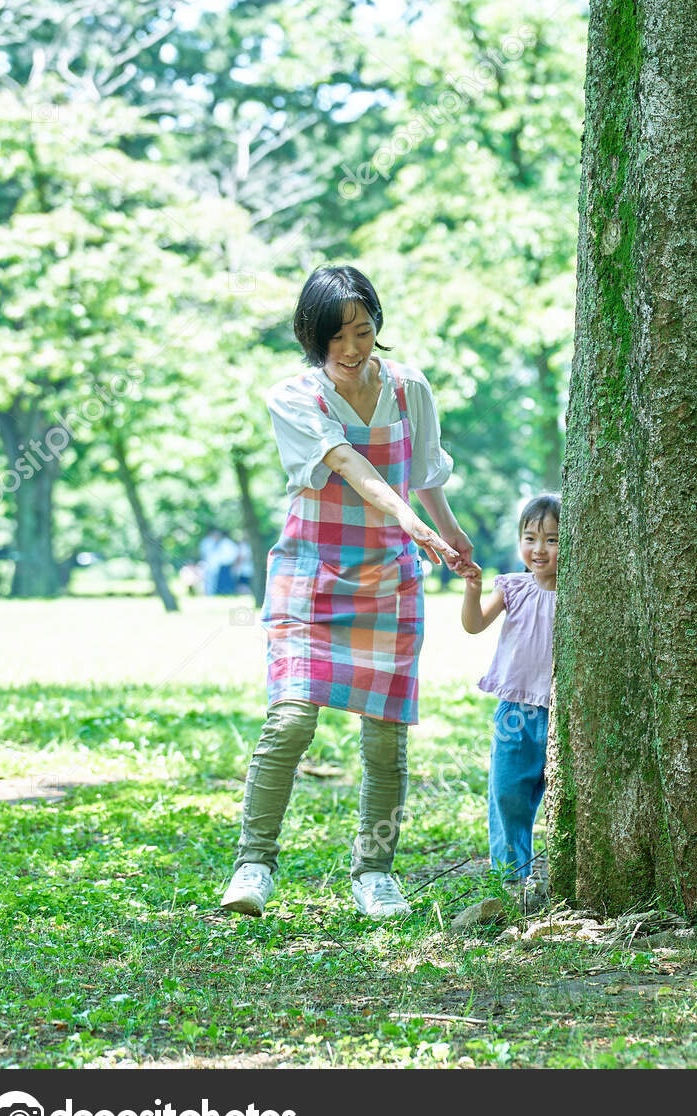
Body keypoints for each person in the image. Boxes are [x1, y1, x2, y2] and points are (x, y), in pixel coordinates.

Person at [220, 265, 480, 921]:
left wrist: (450, 536)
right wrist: (412, 522)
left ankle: (375, 873)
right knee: (290, 720)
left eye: (362, 331)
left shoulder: (409, 389)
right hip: (312, 573)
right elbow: (349, 464)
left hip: (389, 577)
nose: (352, 348)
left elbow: (426, 476)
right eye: (337, 336)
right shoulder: (294, 398)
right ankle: (254, 864)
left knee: (387, 738)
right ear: (313, 338)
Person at [461, 494, 559, 902]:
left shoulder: (579, 593)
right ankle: (512, 877)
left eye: (552, 540)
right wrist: (473, 589)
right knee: (507, 793)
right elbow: (473, 625)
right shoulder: (512, 588)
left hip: (561, 712)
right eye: (530, 537)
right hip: (515, 712)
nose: (539, 549)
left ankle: (561, 873)